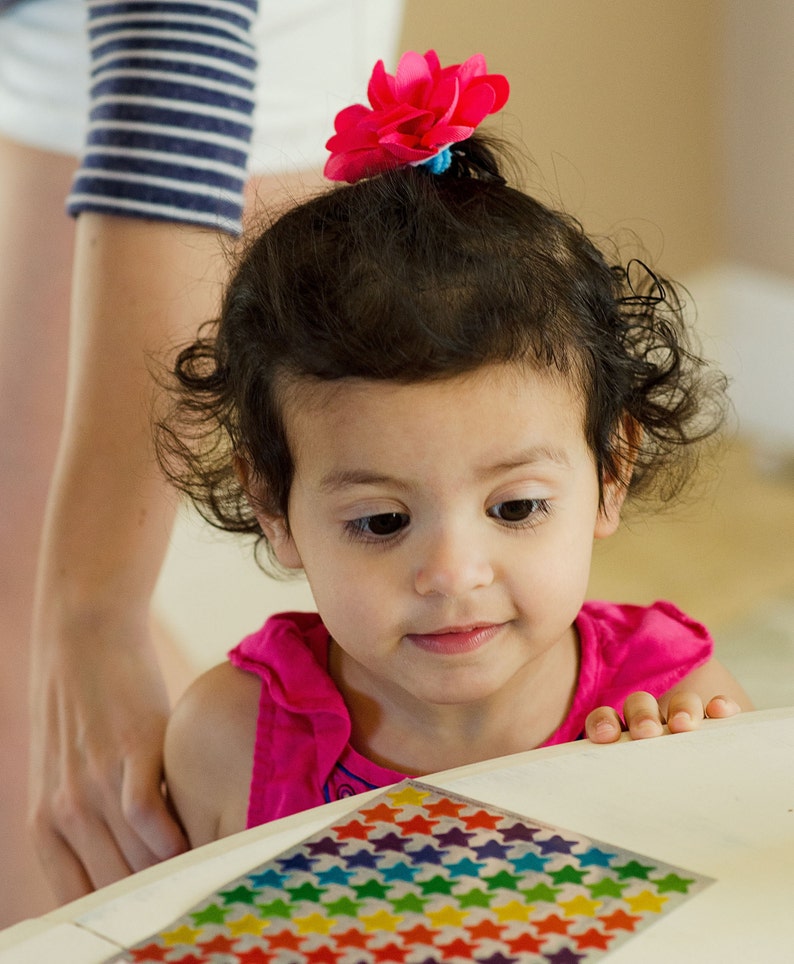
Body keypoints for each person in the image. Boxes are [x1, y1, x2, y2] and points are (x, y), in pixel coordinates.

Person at [157, 49, 752, 848]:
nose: (453, 574)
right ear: (274, 505)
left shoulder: (683, 707)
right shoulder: (230, 744)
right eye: (381, 521)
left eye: (516, 508)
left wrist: (696, 803)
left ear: (610, 470)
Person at [0, 0, 404, 922]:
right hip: (51, 45)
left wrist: (94, 614)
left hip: (191, 62)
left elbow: (173, 56)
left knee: (38, 603)